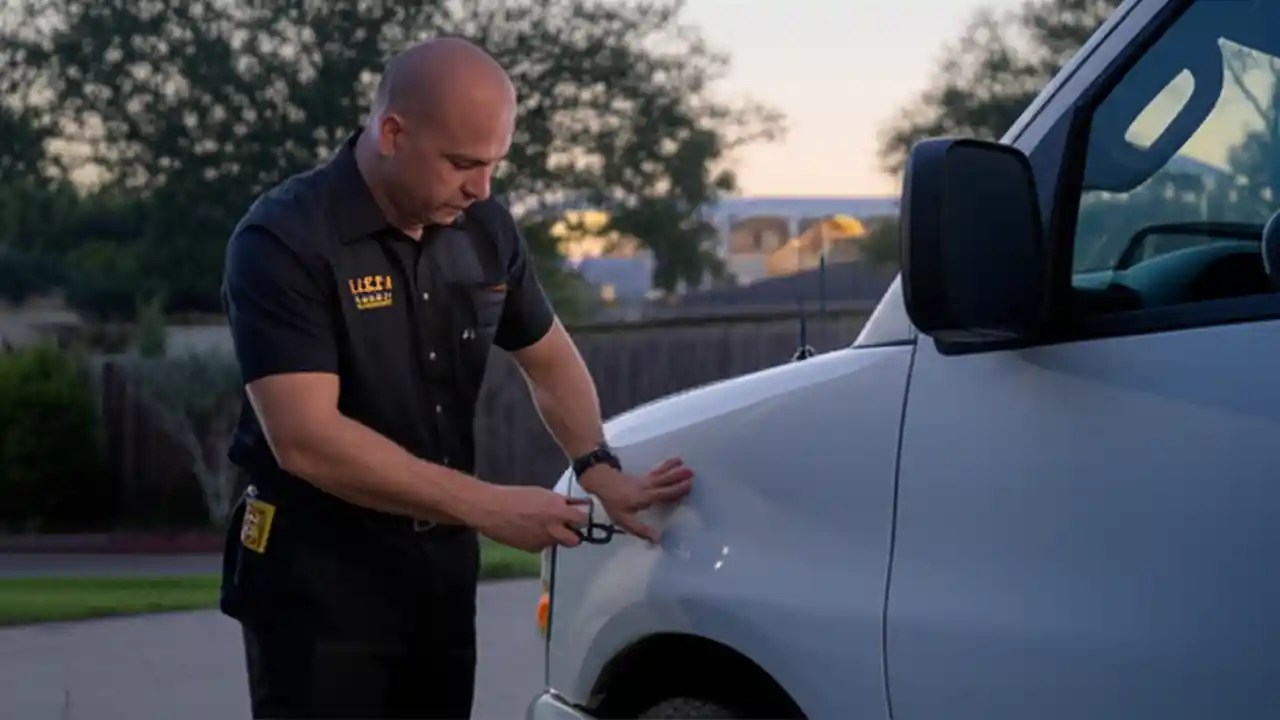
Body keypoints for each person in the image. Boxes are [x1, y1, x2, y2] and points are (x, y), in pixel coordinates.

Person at [218, 37, 695, 719]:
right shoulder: (283, 240)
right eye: (462, 164)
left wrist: (596, 465)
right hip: (315, 583)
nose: (482, 188)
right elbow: (305, 438)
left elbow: (550, 357)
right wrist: (486, 506)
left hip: (437, 578)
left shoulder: (485, 231)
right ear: (392, 133)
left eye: (494, 165)